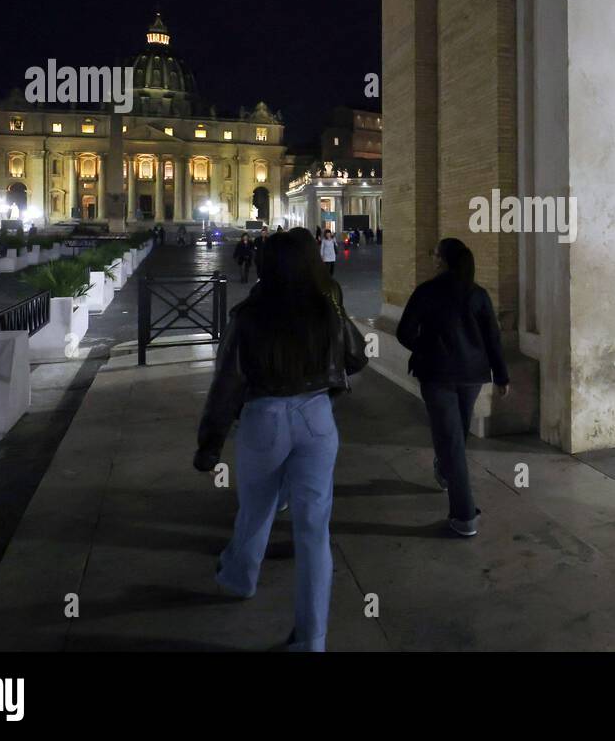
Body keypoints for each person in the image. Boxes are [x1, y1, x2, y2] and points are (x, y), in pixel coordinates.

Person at [195, 232, 357, 652]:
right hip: (317, 417)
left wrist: (210, 442)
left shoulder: (248, 315)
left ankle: (239, 578)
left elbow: (226, 383)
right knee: (314, 531)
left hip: (265, 417)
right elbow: (357, 357)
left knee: (257, 507)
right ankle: (312, 638)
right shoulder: (327, 309)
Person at [396, 238, 509, 537]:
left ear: (443, 260)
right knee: (456, 433)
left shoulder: (426, 292)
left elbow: (404, 332)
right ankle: (446, 469)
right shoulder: (478, 294)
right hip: (471, 375)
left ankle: (464, 515)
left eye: (435, 254)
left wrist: (425, 348)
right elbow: (493, 338)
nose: (433, 259)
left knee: (452, 440)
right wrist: (502, 376)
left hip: (437, 374)